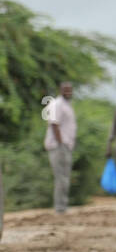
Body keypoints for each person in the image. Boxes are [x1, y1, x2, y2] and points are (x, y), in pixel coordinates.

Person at [44, 81, 77, 214]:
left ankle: (63, 206)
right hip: (59, 147)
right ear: (60, 90)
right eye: (65, 90)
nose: (68, 92)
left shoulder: (67, 105)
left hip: (66, 146)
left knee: (65, 177)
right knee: (61, 178)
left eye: (70, 90)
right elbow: (54, 124)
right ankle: (60, 208)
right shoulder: (57, 104)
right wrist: (61, 143)